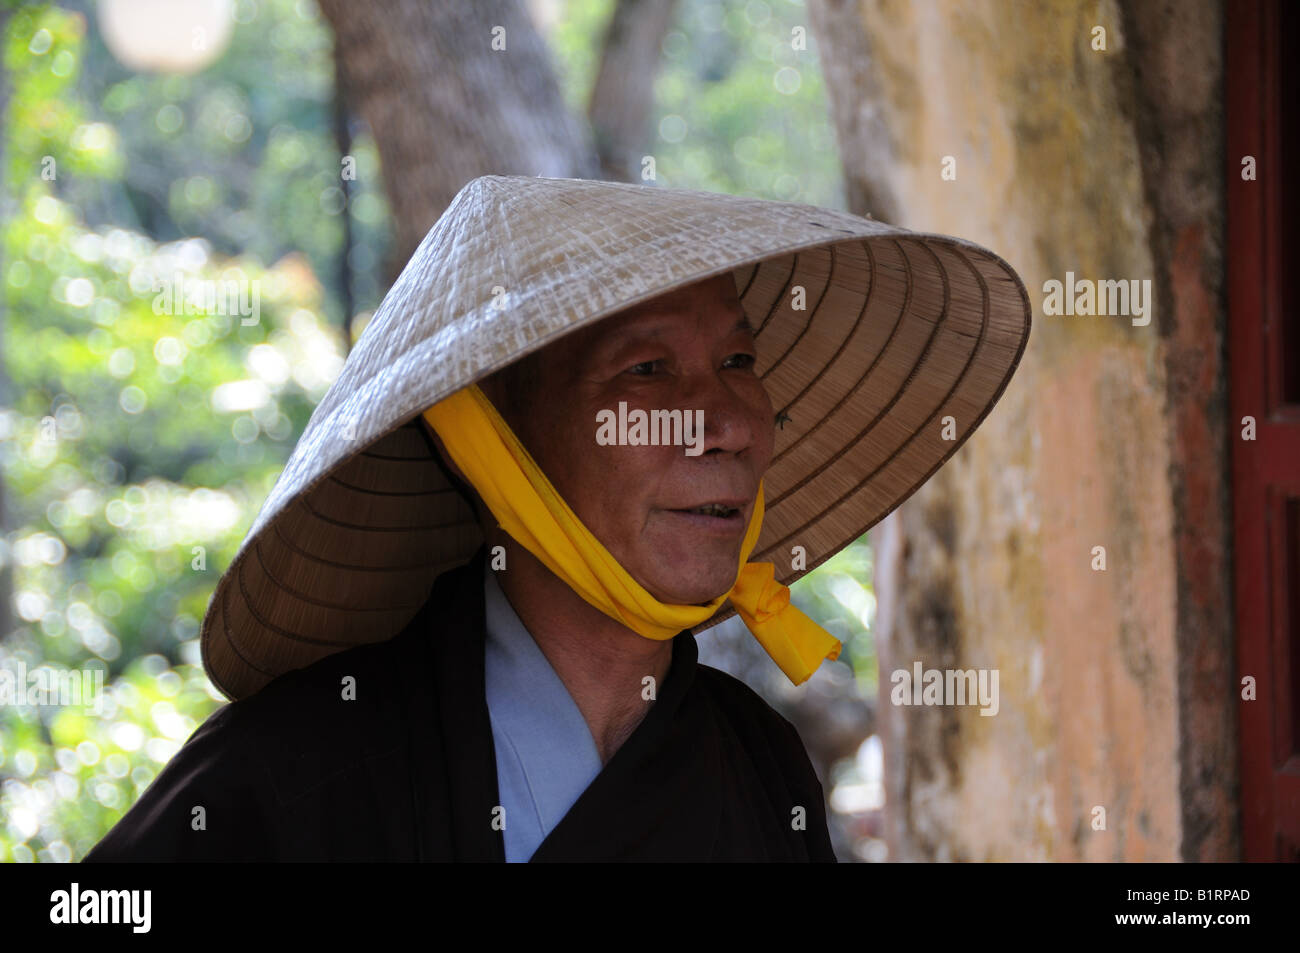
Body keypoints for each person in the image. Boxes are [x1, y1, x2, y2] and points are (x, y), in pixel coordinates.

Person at [84, 175, 1030, 862]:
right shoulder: (299, 772)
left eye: (739, 365)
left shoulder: (755, 763)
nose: (734, 424)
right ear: (499, 447)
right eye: (647, 371)